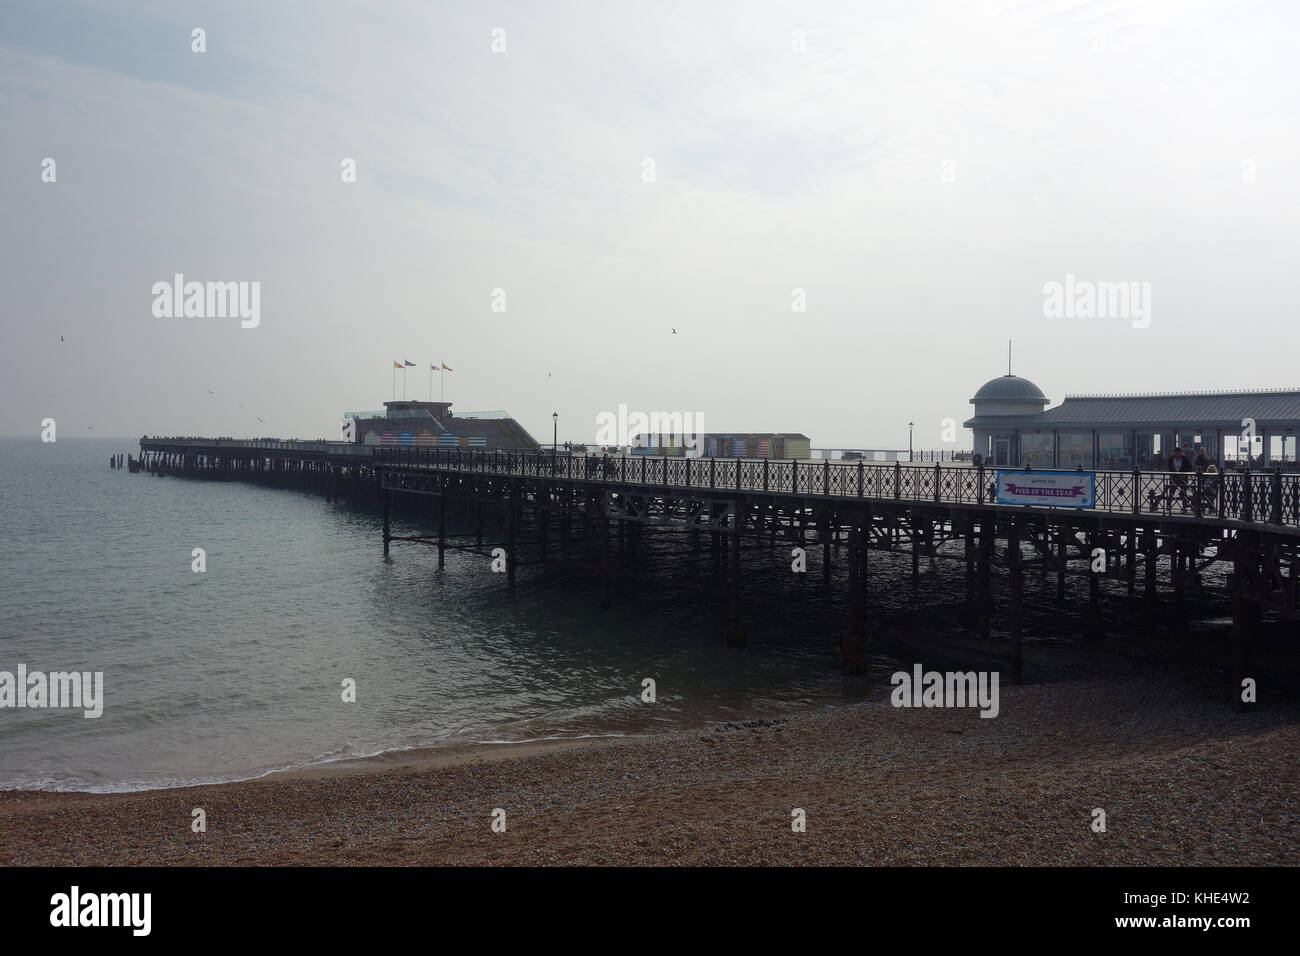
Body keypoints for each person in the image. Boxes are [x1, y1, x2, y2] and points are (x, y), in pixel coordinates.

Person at [1160, 446, 1194, 511]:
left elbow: (1190, 467)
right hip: (1174, 478)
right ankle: (1168, 506)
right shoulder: (1171, 459)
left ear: (1181, 453)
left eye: (1178, 453)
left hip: (1183, 478)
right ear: (1174, 453)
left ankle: (1184, 507)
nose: (1177, 454)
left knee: (1183, 493)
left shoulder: (1185, 459)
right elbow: (1169, 466)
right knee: (1171, 492)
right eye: (1176, 453)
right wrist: (1172, 473)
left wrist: (1184, 473)